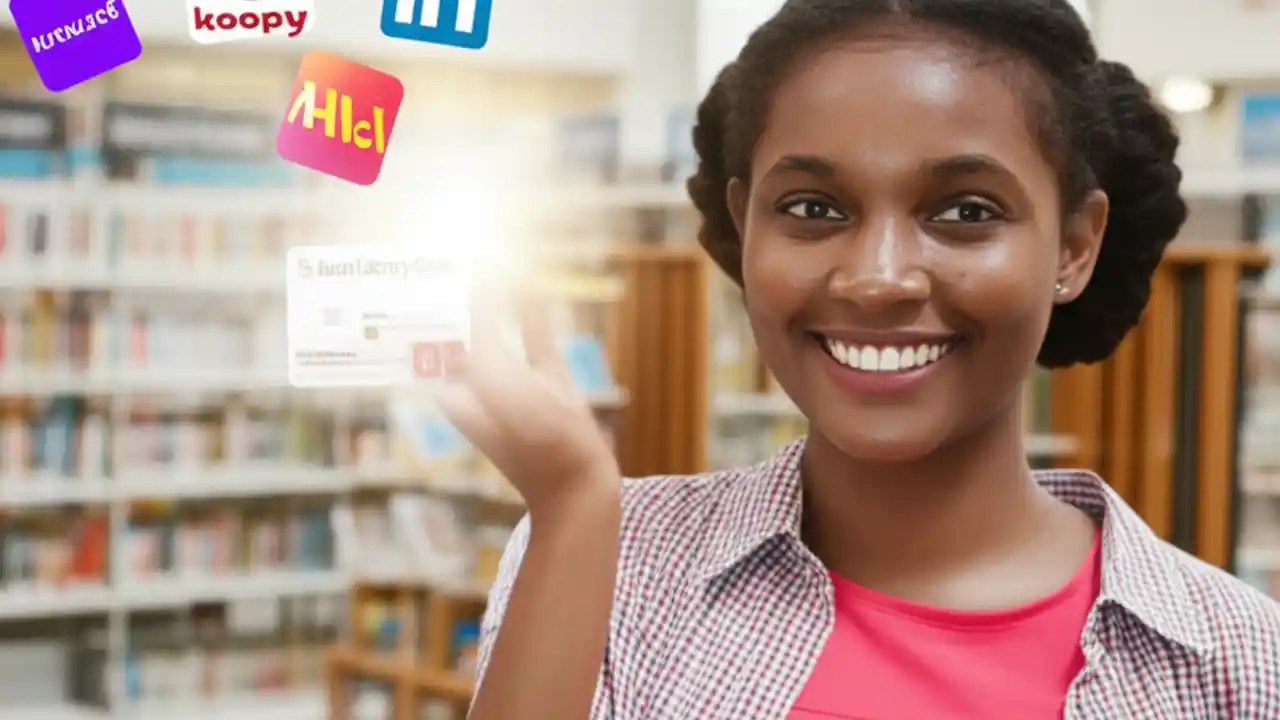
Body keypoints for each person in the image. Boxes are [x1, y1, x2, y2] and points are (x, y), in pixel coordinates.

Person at [440, 1, 1280, 718]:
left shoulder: (1236, 660)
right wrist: (575, 500)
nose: (878, 279)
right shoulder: (610, 558)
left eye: (964, 210)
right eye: (813, 207)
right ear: (746, 227)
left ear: (1072, 245)